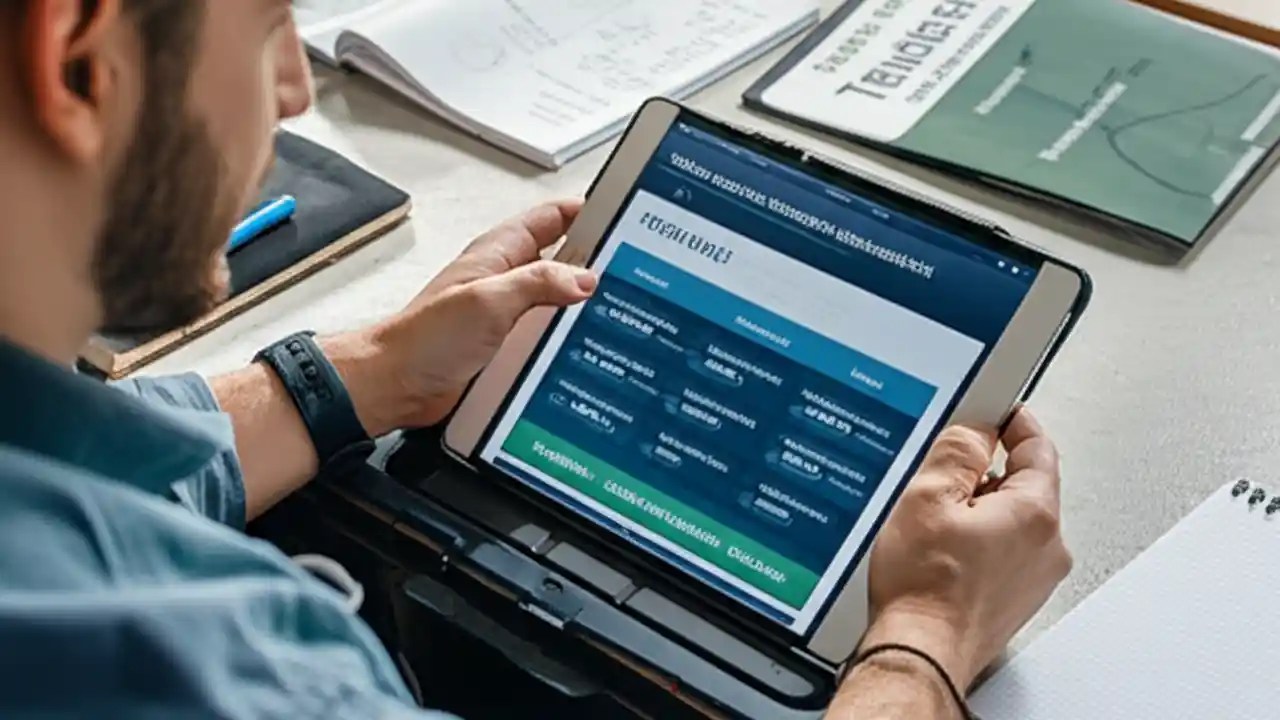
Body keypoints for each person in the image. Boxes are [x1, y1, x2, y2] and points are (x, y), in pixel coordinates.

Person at [0, 1, 1072, 718]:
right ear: (79, 58)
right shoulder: (218, 666)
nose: (292, 90)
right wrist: (925, 638)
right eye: (269, 23)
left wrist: (376, 370)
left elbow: (63, 471)